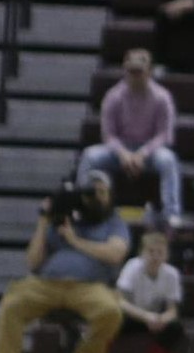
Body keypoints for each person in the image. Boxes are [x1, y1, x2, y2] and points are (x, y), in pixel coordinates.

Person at [0, 172, 130, 353]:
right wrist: (43, 221)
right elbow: (32, 262)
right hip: (46, 284)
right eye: (90, 192)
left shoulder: (114, 221)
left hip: (88, 287)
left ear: (110, 197)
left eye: (102, 193)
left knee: (111, 312)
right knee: (12, 305)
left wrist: (74, 241)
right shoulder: (62, 217)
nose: (96, 198)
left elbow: (116, 253)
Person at [77, 50, 183, 225]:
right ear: (125, 71)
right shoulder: (113, 97)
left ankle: (171, 213)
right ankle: (83, 206)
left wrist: (142, 153)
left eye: (139, 72)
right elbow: (108, 134)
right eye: (131, 72)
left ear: (149, 72)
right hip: (120, 150)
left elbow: (164, 135)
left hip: (150, 151)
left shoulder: (162, 98)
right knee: (90, 156)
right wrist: (123, 153)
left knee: (169, 160)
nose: (135, 76)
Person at [116, 230, 187, 353]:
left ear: (167, 255)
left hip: (154, 319)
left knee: (175, 328)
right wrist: (145, 316)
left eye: (160, 252)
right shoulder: (132, 267)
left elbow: (172, 311)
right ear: (141, 253)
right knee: (110, 321)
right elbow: (119, 301)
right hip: (131, 315)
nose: (155, 256)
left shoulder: (171, 274)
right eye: (150, 251)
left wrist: (162, 319)